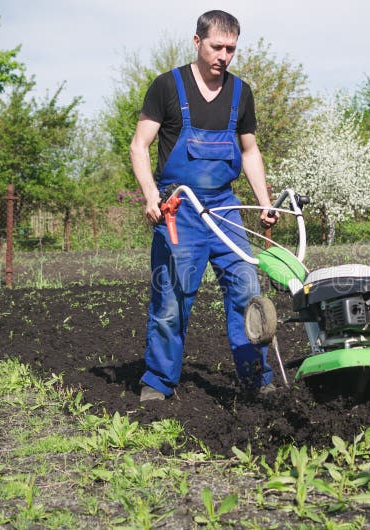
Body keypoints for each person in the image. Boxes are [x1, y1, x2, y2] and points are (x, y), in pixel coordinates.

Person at [130, 10, 278, 402]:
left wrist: (264, 202)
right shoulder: (166, 86)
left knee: (246, 289)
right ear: (197, 43)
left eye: (231, 49)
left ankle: (256, 380)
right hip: (180, 209)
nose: (224, 56)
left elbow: (249, 151)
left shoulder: (240, 92)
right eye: (217, 47)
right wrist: (150, 195)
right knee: (172, 297)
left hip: (225, 210)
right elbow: (139, 145)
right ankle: (158, 382)